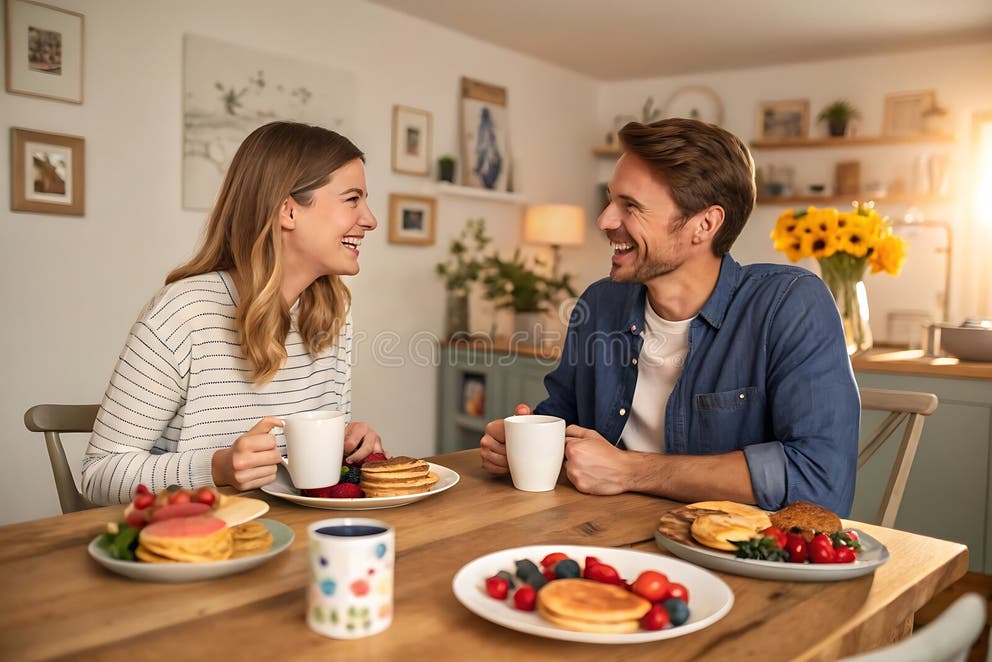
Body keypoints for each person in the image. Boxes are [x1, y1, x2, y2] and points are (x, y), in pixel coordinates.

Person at [480, 118, 860, 516]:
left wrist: (632, 471)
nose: (605, 220)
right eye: (611, 200)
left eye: (630, 206)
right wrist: (519, 446)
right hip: (601, 536)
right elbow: (563, 421)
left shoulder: (789, 304)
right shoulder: (600, 303)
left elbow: (820, 482)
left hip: (735, 558)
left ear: (704, 224)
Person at [82, 121, 383, 505]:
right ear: (288, 211)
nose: (370, 219)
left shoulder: (332, 311)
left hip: (291, 537)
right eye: (352, 199)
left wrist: (346, 448)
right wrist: (217, 468)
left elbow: (300, 475)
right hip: (198, 546)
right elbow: (98, 475)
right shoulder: (184, 312)